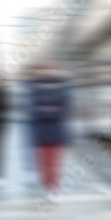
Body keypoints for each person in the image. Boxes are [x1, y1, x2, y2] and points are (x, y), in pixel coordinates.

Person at [28, 63, 70, 196]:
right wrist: (52, 110)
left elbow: (34, 111)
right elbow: (64, 111)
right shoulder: (63, 90)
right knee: (53, 163)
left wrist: (44, 110)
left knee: (44, 163)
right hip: (56, 131)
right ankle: (53, 188)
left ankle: (49, 187)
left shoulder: (35, 90)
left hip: (41, 132)